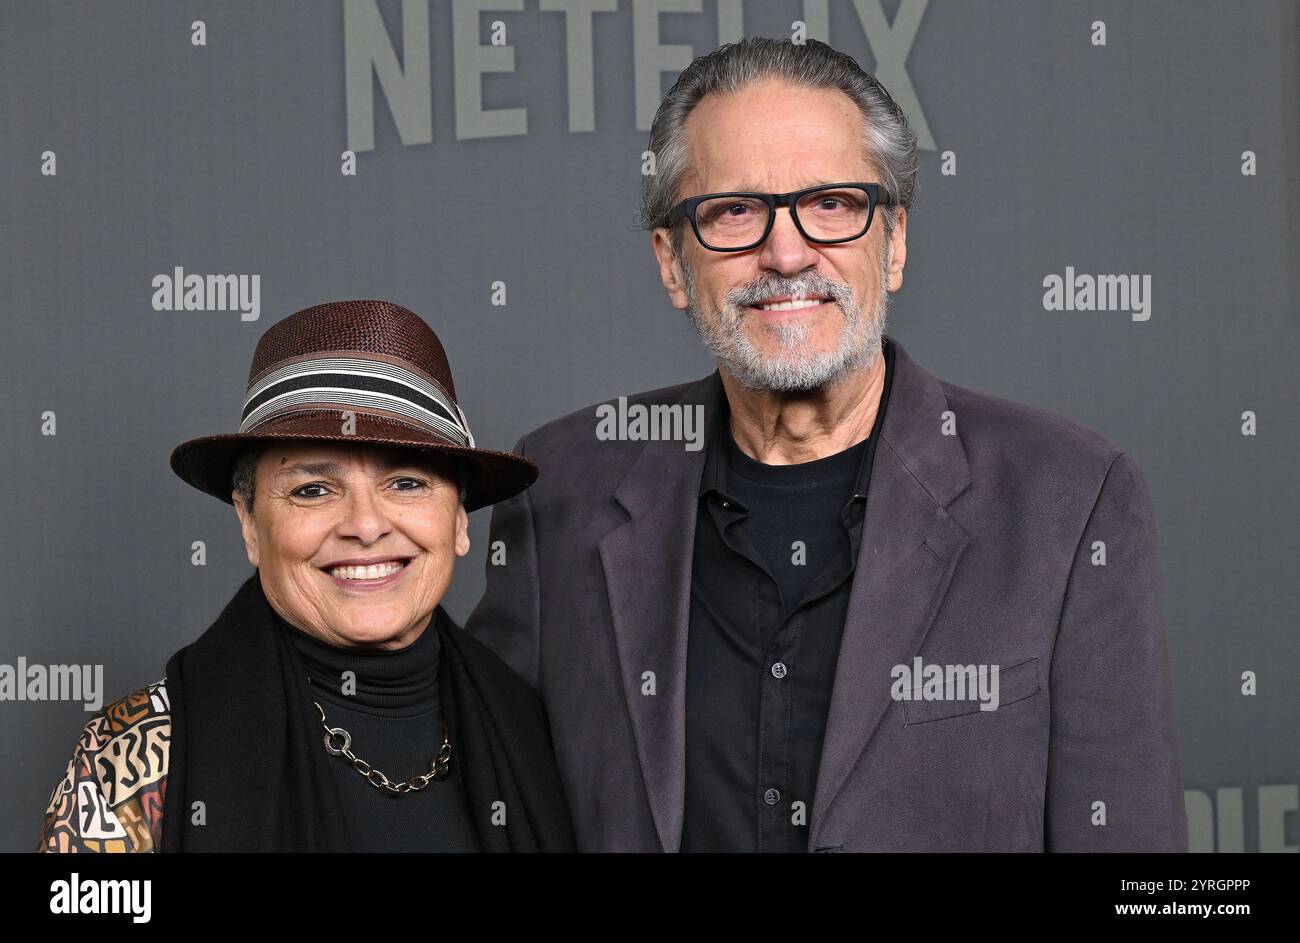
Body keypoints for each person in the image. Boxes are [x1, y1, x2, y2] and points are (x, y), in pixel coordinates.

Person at [465, 38, 1186, 852]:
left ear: (897, 240)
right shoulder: (558, 488)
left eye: (834, 203)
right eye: (735, 210)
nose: (787, 252)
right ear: (672, 262)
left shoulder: (1071, 500)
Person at [37, 299, 575, 852]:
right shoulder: (133, 758)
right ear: (250, 523)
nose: (366, 526)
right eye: (312, 490)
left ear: (459, 518)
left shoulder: (547, 732)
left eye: (408, 483)